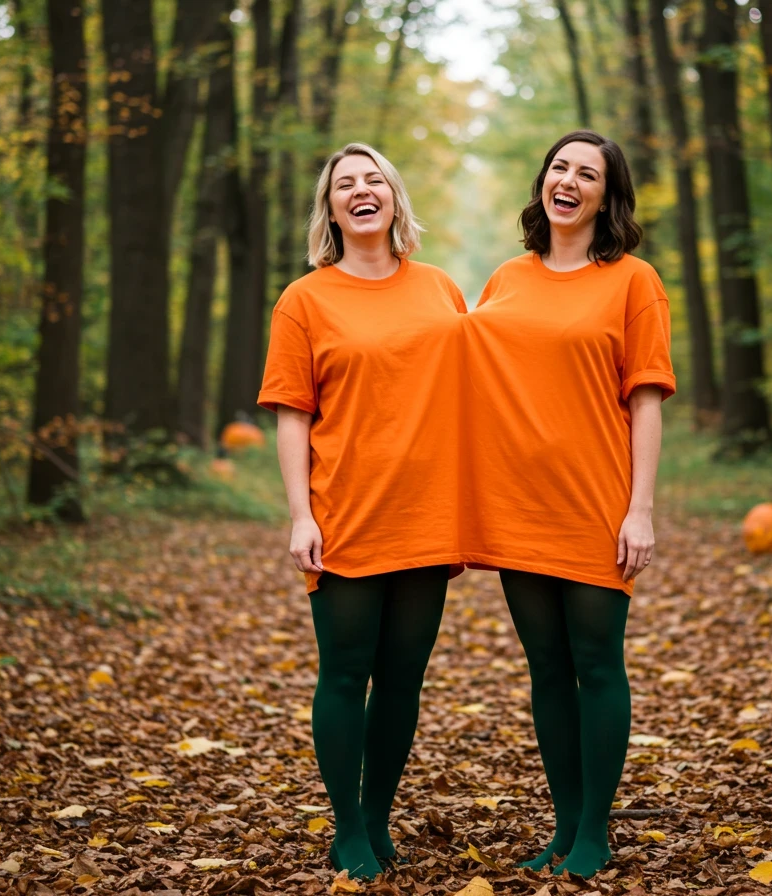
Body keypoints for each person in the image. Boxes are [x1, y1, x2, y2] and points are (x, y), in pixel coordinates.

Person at [462, 130, 674, 878]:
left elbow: (645, 399)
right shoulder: (504, 279)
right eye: (560, 166)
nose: (570, 180)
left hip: (594, 503)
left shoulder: (633, 281)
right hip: (516, 505)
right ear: (542, 182)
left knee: (596, 661)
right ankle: (561, 826)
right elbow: (467, 384)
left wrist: (639, 508)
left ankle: (594, 832)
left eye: (589, 173)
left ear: (607, 196)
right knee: (545, 670)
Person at [258, 143, 466, 880]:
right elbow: (290, 413)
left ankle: (378, 817)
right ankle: (346, 826)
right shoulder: (304, 300)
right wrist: (300, 515)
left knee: (404, 677)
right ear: (332, 209)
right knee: (346, 674)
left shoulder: (442, 289)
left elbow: (480, 388)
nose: (360, 190)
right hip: (345, 513)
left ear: (394, 197)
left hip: (430, 515)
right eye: (345, 183)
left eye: (373, 178)